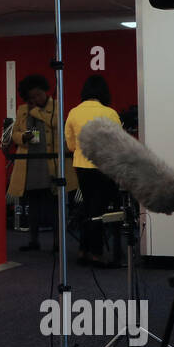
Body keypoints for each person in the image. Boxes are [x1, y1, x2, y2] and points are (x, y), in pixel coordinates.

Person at [2, 74, 76, 251]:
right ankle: (33, 240)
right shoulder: (22, 110)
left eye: (38, 95)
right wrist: (23, 136)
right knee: (32, 203)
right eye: (31, 97)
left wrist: (35, 111)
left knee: (54, 204)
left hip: (51, 162)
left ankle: (58, 242)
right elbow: (15, 133)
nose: (35, 99)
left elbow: (56, 125)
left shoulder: (57, 106)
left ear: (45, 91)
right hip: (30, 162)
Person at [63, 75, 122, 266]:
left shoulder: (74, 112)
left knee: (88, 208)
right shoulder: (110, 113)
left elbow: (70, 145)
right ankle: (96, 253)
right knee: (98, 211)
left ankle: (83, 250)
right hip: (104, 167)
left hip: (81, 166)